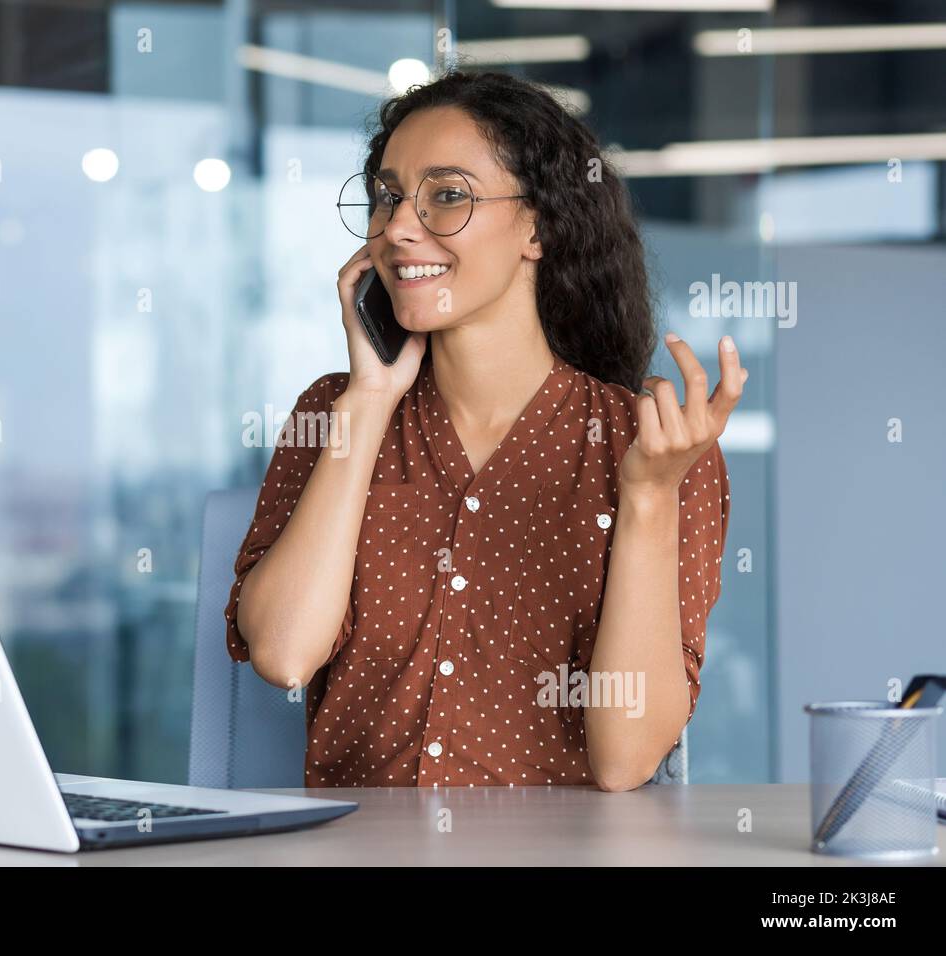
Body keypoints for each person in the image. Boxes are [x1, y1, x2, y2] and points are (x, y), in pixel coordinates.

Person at [225, 69, 746, 792]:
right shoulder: (334, 413)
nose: (399, 227)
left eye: (446, 196)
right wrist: (371, 399)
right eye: (387, 197)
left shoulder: (651, 442)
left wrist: (650, 498)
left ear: (537, 226)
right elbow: (283, 653)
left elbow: (626, 760)